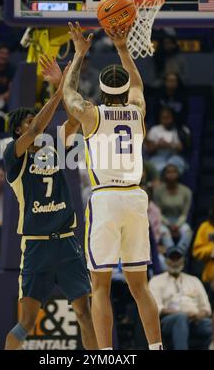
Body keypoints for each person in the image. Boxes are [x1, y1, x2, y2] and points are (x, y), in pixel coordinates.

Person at [63, 22, 162, 350]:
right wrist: (123, 49)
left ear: (103, 91)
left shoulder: (92, 115)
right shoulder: (138, 112)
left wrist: (79, 55)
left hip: (106, 200)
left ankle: (105, 355)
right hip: (135, 198)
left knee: (100, 286)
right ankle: (156, 348)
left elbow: (68, 94)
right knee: (140, 287)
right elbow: (138, 84)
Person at [3, 59, 97, 350]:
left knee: (85, 314)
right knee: (26, 324)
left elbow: (73, 121)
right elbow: (34, 132)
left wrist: (64, 85)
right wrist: (56, 93)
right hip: (36, 246)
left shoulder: (53, 145)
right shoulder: (13, 154)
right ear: (19, 130)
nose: (38, 126)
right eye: (30, 122)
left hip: (67, 243)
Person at [149, 246, 212, 350]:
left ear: (183, 260)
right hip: (168, 321)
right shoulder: (156, 281)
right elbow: (155, 308)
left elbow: (206, 309)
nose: (175, 262)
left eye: (178, 258)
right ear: (166, 260)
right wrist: (182, 314)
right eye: (172, 258)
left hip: (195, 320)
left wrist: (197, 315)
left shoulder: (194, 280)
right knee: (181, 318)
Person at [153, 164, 193, 254]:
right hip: (163, 221)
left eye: (174, 172)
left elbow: (185, 213)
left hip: (180, 221)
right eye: (168, 172)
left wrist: (177, 225)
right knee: (164, 232)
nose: (171, 174)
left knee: (188, 231)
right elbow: (157, 212)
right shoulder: (158, 191)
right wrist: (169, 225)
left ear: (178, 174)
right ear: (164, 175)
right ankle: (171, 253)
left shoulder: (186, 191)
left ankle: (180, 253)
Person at [145, 106, 190, 174]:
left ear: (173, 118)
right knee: (154, 167)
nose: (165, 121)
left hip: (176, 157)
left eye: (168, 118)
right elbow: (149, 149)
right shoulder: (154, 130)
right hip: (158, 157)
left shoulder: (182, 130)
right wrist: (158, 145)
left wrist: (169, 145)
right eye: (163, 118)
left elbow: (185, 148)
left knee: (173, 168)